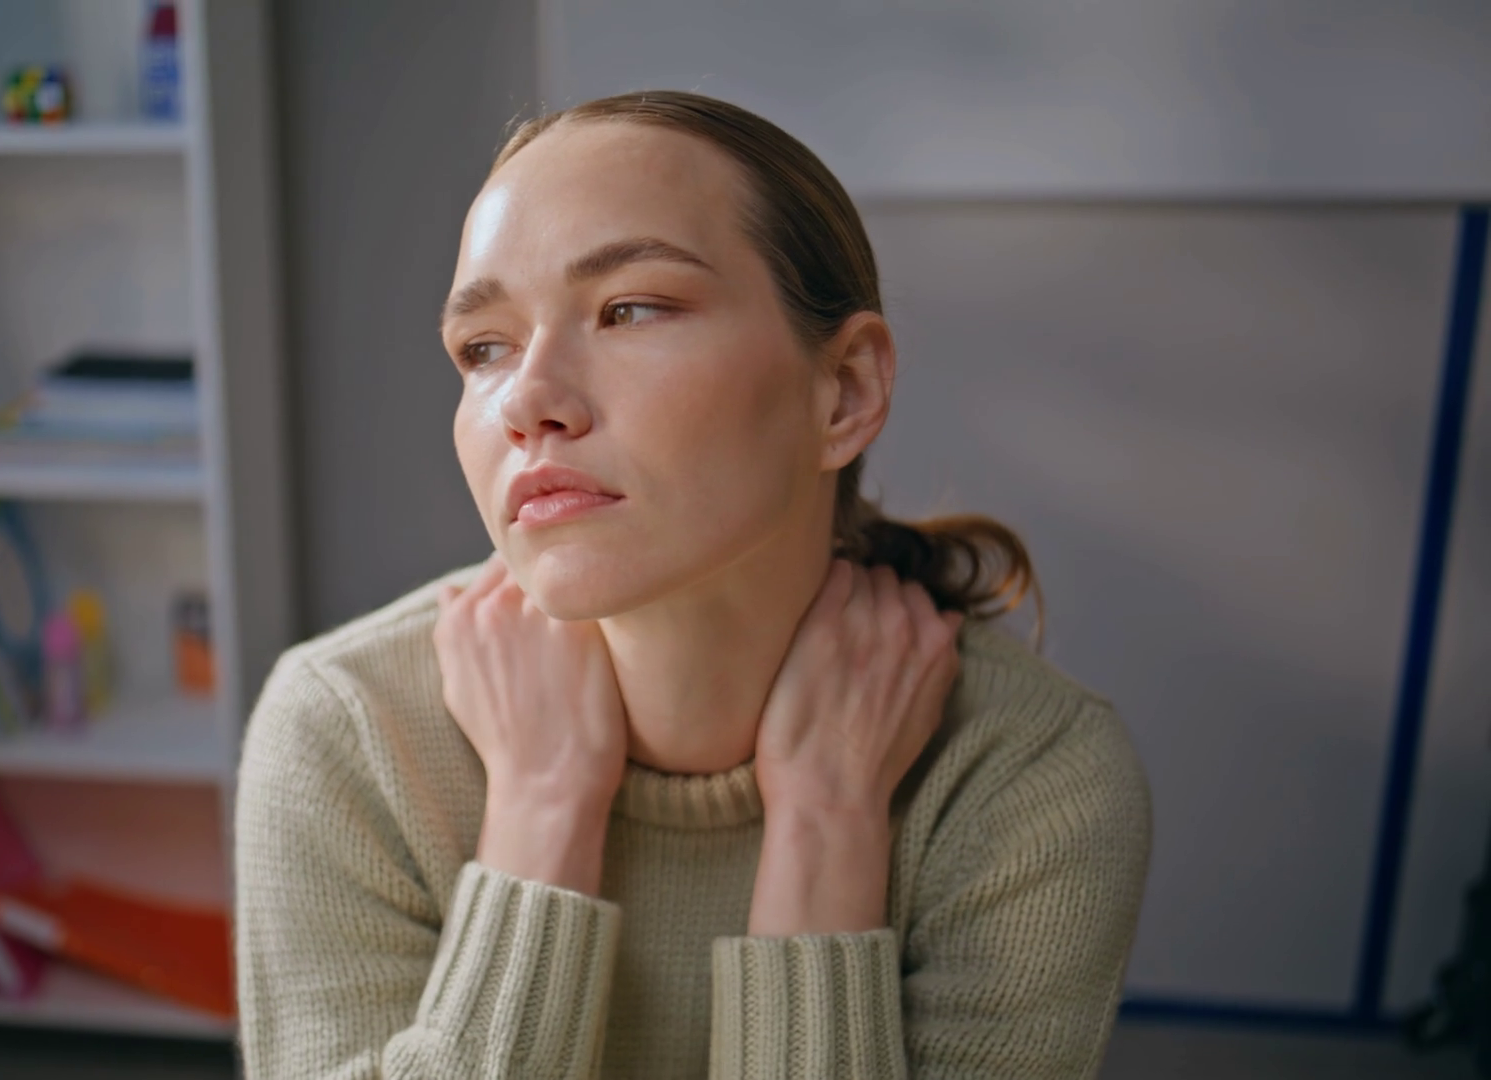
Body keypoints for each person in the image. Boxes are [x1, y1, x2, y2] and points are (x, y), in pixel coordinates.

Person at [234, 90, 1152, 1079]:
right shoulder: (349, 729)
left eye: (629, 309)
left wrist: (827, 829)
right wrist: (542, 814)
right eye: (484, 347)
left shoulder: (1025, 773)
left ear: (844, 391)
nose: (528, 400)